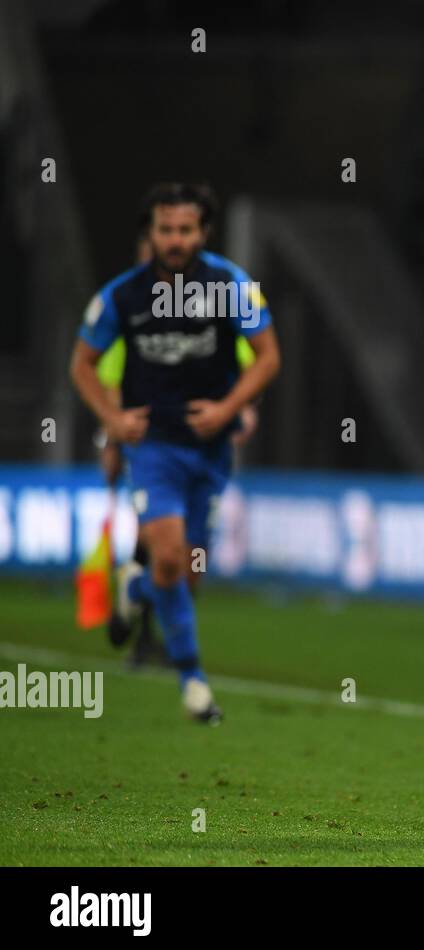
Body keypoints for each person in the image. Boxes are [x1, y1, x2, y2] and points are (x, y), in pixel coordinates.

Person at [69, 183, 281, 723]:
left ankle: (132, 587)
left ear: (202, 232)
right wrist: (112, 422)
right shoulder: (122, 296)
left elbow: (268, 357)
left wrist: (230, 407)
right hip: (155, 448)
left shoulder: (232, 286)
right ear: (151, 233)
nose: (175, 240)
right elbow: (83, 364)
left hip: (209, 451)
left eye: (186, 230)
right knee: (167, 557)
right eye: (166, 230)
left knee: (184, 576)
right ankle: (195, 685)